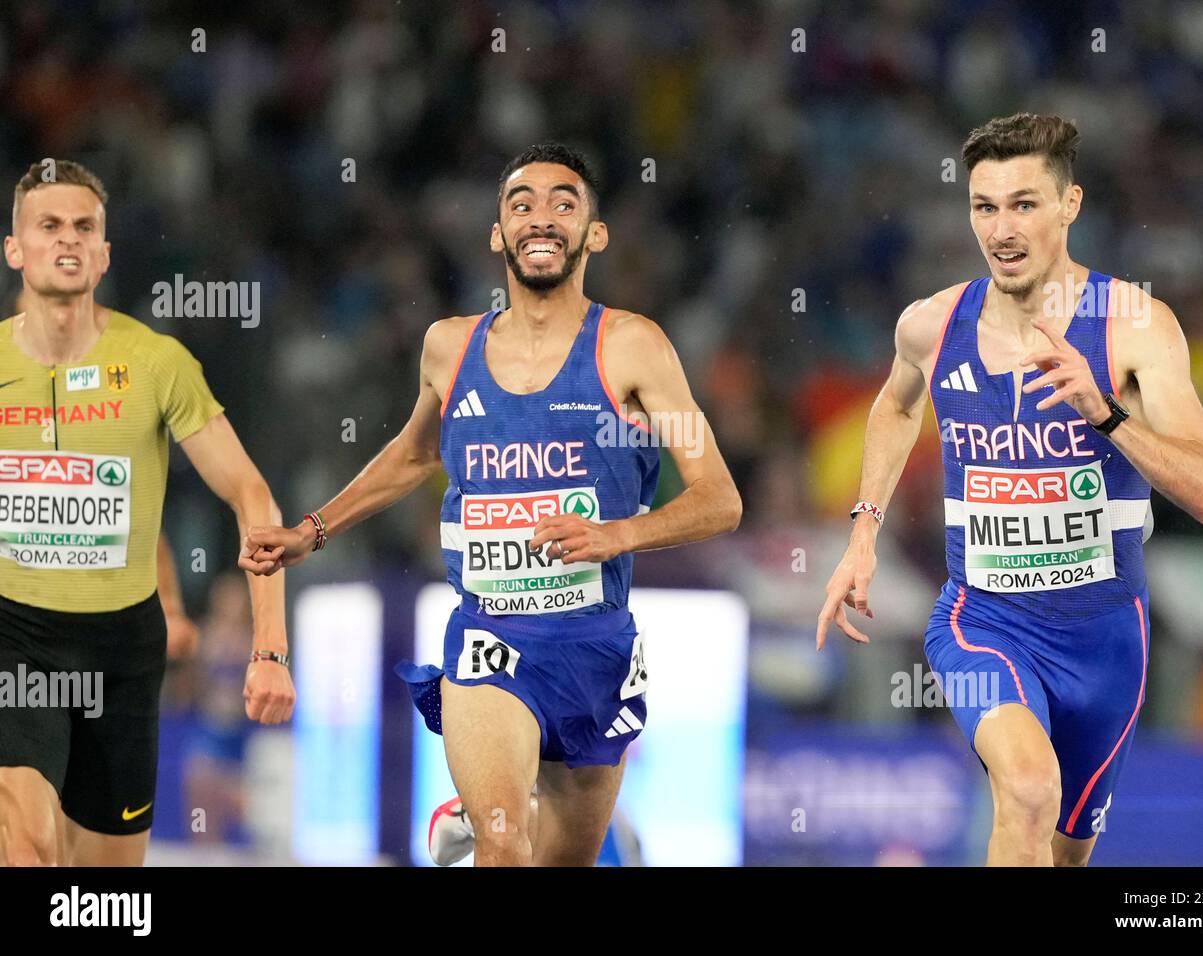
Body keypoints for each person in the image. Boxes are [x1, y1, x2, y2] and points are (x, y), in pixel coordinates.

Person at [240, 143, 742, 866]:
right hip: (490, 639)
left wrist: (615, 535)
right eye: (522, 204)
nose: (543, 217)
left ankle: (481, 816)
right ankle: (491, 818)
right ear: (497, 234)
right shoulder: (449, 348)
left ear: (594, 234)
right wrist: (312, 529)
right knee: (506, 846)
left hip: (594, 647)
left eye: (565, 203)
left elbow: (720, 501)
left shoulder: (635, 347)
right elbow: (415, 453)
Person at [817, 114, 1203, 866]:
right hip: (985, 623)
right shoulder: (932, 324)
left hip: (1108, 641)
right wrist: (864, 530)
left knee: (1065, 851)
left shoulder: (1135, 327)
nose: (1002, 229)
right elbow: (897, 402)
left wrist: (1104, 413)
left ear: (1070, 205)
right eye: (985, 207)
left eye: (1025, 204)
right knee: (1029, 789)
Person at [0, 160, 296, 867]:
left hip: (123, 651)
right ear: (15, 248)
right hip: (15, 636)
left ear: (104, 253)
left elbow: (252, 498)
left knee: (105, 892)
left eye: (84, 227)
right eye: (48, 226)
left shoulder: (158, 363)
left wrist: (269, 649)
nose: (67, 241)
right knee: (27, 842)